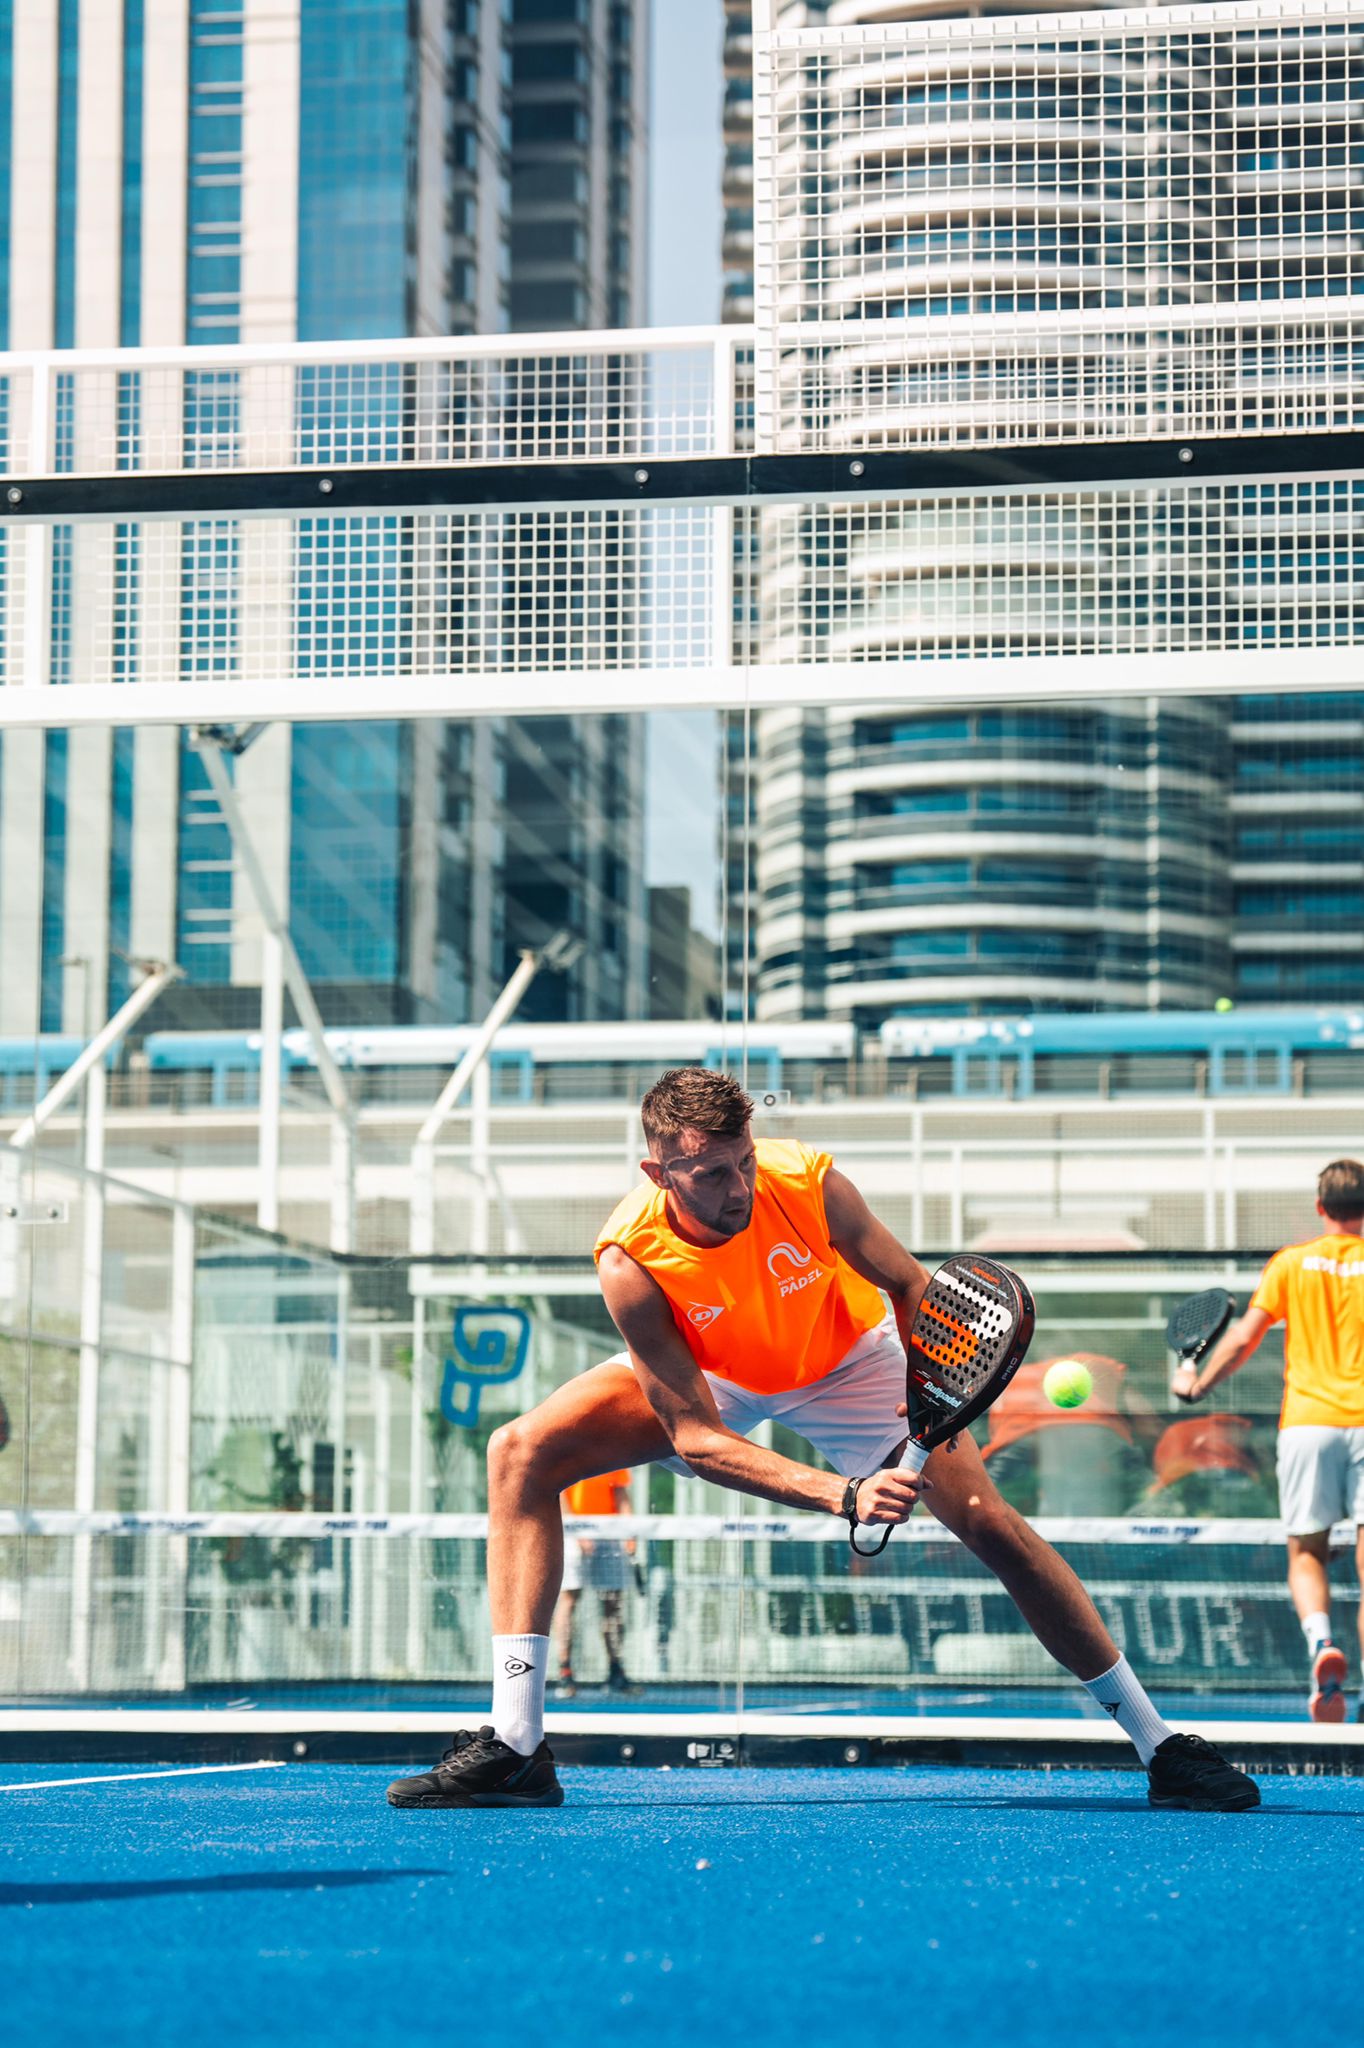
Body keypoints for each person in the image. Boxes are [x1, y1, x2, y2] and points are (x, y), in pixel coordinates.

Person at [388, 1068, 1258, 1811]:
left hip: (853, 1359)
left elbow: (912, 1287)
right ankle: (517, 1745)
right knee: (519, 1453)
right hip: (714, 1371)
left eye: (743, 1162)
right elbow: (696, 1437)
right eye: (711, 1174)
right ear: (659, 1172)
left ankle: (1161, 1747)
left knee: (992, 1525)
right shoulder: (630, 1259)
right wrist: (845, 1496)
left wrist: (935, 1397)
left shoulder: (808, 1182)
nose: (738, 1188)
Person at [1173, 1158, 1364, 1723]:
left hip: (1307, 1425)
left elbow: (1243, 1339)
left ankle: (1321, 1643)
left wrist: (1197, 1384)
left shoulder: (1291, 1262)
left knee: (1306, 1552)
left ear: (1320, 1207)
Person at [553, 1468, 641, 1698]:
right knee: (569, 1599)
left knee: (613, 1603)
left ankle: (616, 1670)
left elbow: (620, 1494)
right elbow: (559, 1493)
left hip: (609, 1532)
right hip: (572, 1532)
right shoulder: (567, 1449)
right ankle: (565, 1671)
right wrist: (578, 1532)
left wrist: (629, 1533)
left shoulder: (617, 1454)